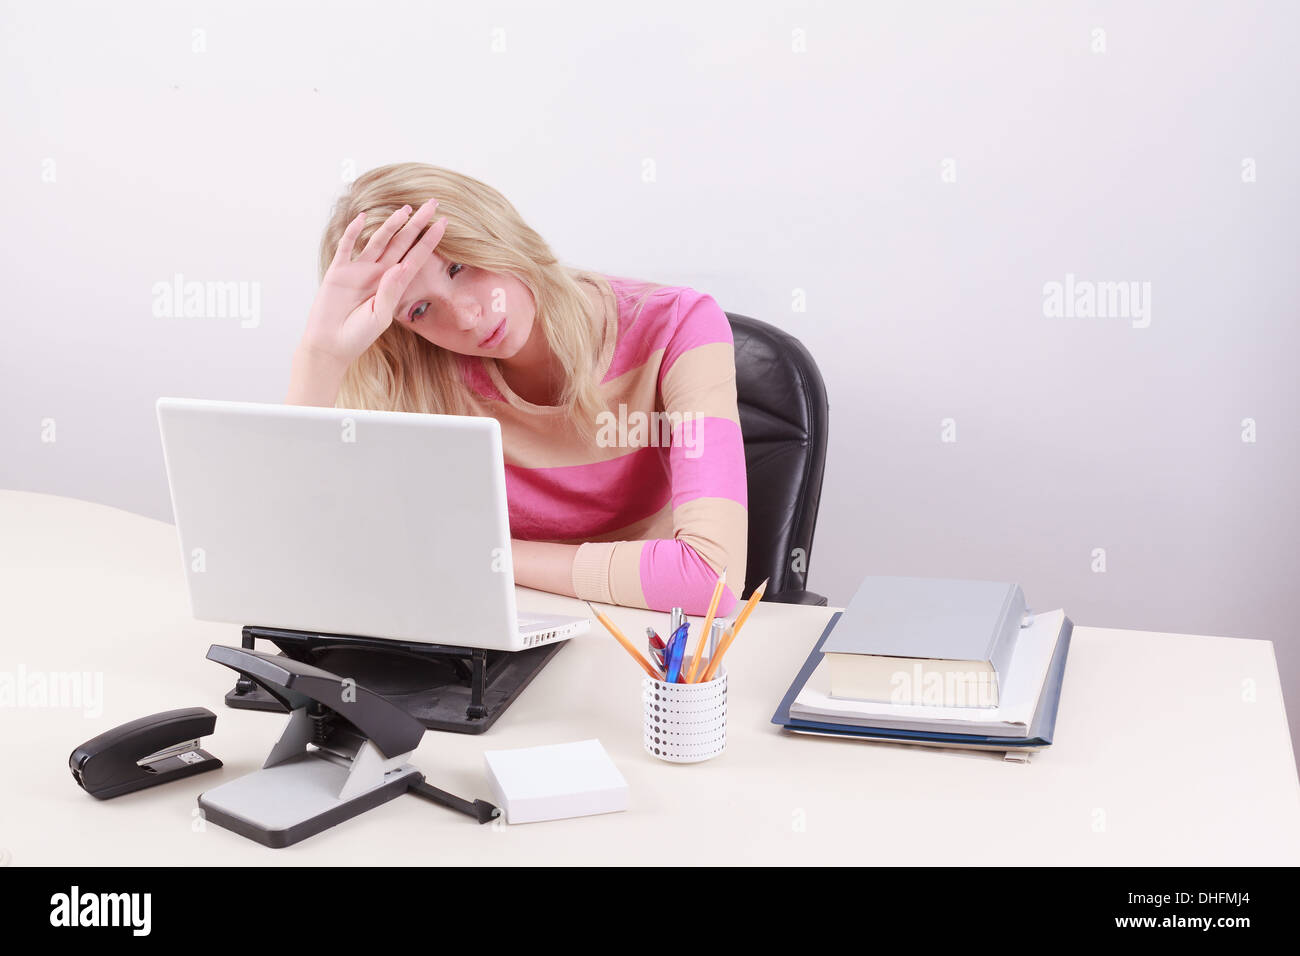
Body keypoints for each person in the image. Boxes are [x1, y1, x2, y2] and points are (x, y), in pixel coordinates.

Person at [288, 162, 747, 615]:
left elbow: (710, 578)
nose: (466, 317)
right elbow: (304, 551)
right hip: (493, 635)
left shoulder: (679, 326)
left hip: (647, 635)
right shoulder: (422, 375)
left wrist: (487, 557)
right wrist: (321, 356)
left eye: (459, 267)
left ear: (496, 229)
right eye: (420, 310)